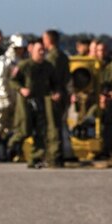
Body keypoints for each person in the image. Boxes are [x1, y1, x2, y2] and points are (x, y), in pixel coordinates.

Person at [12, 37, 61, 169]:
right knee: (25, 130)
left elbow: (55, 82)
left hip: (41, 101)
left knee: (40, 130)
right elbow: (13, 81)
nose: (41, 53)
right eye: (39, 50)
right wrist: (21, 89)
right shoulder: (24, 66)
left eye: (43, 50)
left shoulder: (48, 67)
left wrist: (56, 92)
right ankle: (11, 146)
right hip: (26, 101)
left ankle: (35, 158)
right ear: (32, 51)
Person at [42, 29, 71, 164]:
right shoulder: (63, 56)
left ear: (49, 40)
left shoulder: (52, 57)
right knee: (59, 124)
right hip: (62, 93)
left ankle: (55, 155)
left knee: (53, 126)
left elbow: (50, 77)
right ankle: (57, 153)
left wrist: (53, 90)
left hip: (54, 95)